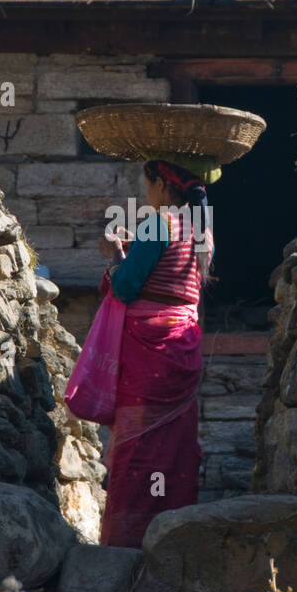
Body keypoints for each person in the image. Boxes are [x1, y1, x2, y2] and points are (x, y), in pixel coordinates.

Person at [97, 157, 215, 548]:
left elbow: (127, 286)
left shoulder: (158, 224)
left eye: (147, 185)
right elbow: (175, 278)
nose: (145, 194)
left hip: (148, 351)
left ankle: (126, 544)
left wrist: (115, 253)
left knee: (138, 445)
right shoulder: (202, 231)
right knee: (174, 445)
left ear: (163, 184)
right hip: (184, 345)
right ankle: (173, 540)